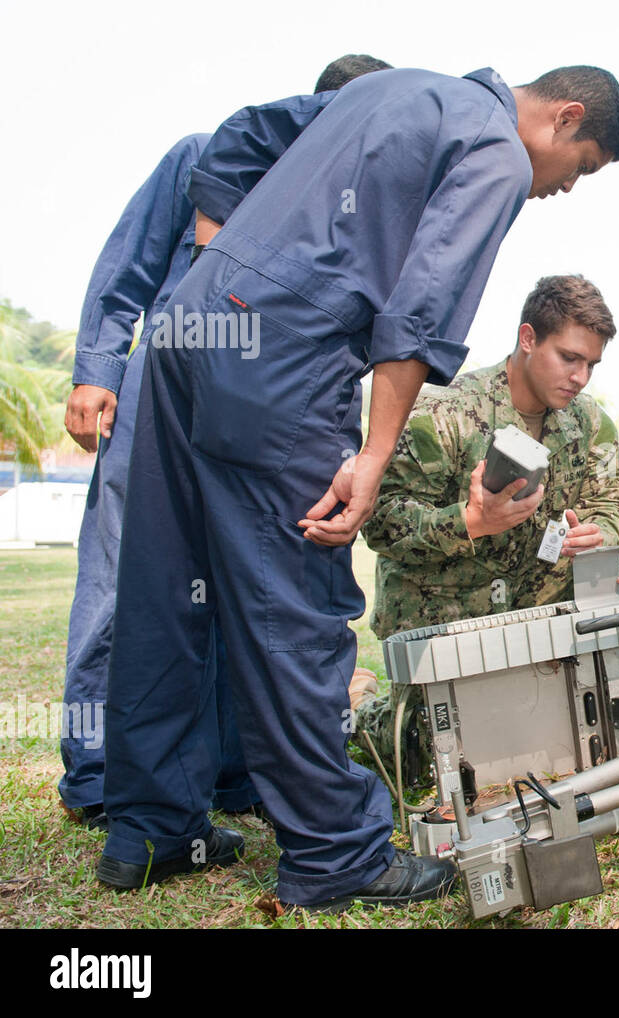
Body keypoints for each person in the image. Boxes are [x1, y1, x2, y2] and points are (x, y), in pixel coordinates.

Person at [95, 65, 619, 914]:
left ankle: (153, 830)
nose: (564, 188)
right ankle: (333, 855)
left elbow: (239, 139)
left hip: (188, 328)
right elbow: (420, 308)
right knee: (295, 597)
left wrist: (228, 263)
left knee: (164, 586)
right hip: (284, 359)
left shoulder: (398, 88)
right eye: (583, 166)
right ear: (564, 118)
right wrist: (375, 454)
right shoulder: (493, 150)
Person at [59, 54, 391, 832]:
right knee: (124, 586)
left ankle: (229, 769)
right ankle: (100, 770)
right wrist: (97, 370)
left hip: (263, 419)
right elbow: (129, 267)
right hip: (164, 394)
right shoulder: (207, 154)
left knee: (240, 592)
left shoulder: (355, 205)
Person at [355, 275, 619, 786]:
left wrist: (601, 531)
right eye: (569, 357)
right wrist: (469, 523)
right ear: (528, 339)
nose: (580, 377)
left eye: (591, 364)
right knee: (426, 764)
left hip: (535, 623)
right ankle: (359, 706)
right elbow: (381, 523)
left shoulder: (588, 422)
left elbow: (615, 503)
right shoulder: (444, 412)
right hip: (445, 620)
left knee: (543, 748)